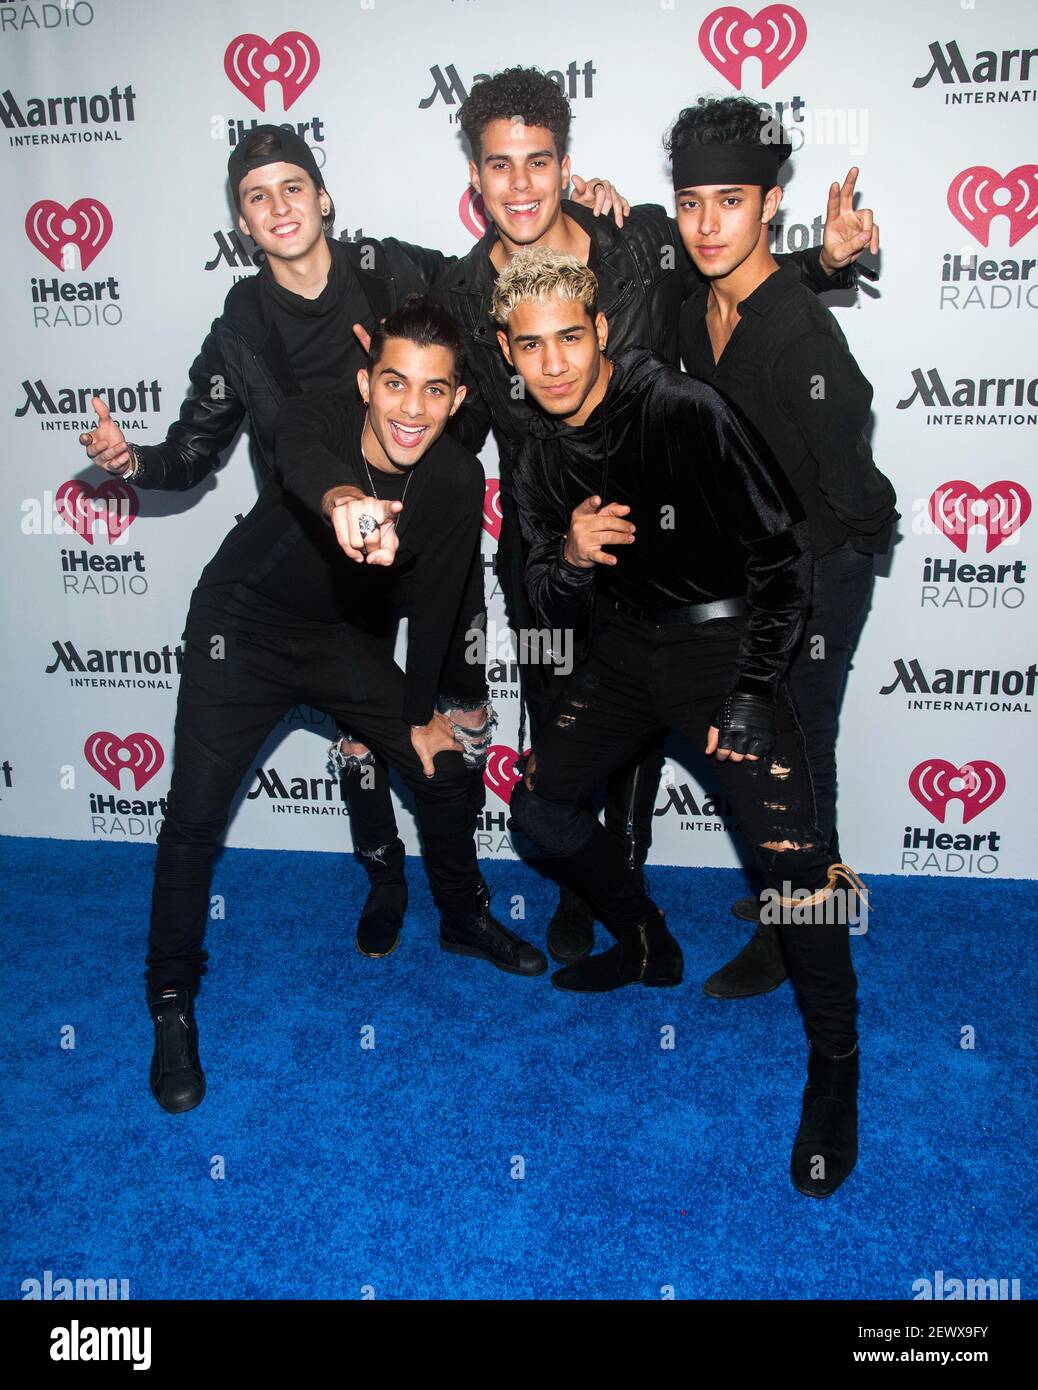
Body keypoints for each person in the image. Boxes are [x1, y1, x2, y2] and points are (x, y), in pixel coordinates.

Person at [77, 123, 618, 954]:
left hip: (431, 535)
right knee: (364, 742)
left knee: (451, 726)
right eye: (257, 197)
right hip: (324, 556)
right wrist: (132, 459)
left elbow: (490, 287)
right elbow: (199, 448)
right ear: (244, 224)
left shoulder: (392, 269)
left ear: (322, 198)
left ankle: (462, 898)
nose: (279, 206)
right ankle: (384, 881)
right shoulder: (242, 324)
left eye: (293, 187)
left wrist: (581, 218)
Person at [438, 66, 874, 966]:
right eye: (500, 166)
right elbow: (725, 275)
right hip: (551, 526)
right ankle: (596, 886)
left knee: (789, 745)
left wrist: (823, 265)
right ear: (474, 180)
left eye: (539, 161)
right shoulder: (459, 289)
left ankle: (787, 926)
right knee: (569, 702)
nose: (521, 183)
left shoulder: (630, 242)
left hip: (700, 543)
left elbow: (733, 270)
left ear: (566, 165)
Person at [497, 248, 864, 1197]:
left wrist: (751, 689)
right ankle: (646, 932)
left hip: (722, 648)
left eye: (570, 338)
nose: (555, 364)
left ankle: (835, 1069)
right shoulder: (536, 452)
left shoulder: (682, 407)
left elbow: (786, 561)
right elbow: (543, 605)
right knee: (538, 811)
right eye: (532, 347)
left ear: (600, 331)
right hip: (622, 651)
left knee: (795, 862)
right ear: (509, 351)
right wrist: (572, 556)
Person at [146, 297, 547, 1116]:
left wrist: (416, 713)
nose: (411, 408)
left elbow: (438, 604)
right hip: (242, 631)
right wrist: (342, 502)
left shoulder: (456, 477)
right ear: (366, 381)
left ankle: (464, 917)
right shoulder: (317, 417)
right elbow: (298, 454)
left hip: (334, 640)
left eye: (434, 391)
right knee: (192, 819)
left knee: (441, 767)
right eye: (395, 384)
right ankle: (170, 1002)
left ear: (459, 400)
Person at [668, 97, 897, 1000]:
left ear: (770, 202)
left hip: (819, 567)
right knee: (764, 741)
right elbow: (746, 287)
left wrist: (837, 563)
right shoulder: (697, 313)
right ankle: (790, 885)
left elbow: (853, 478)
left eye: (732, 200)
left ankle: (800, 917)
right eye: (692, 204)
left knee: (801, 744)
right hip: (754, 569)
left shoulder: (803, 333)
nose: (708, 224)